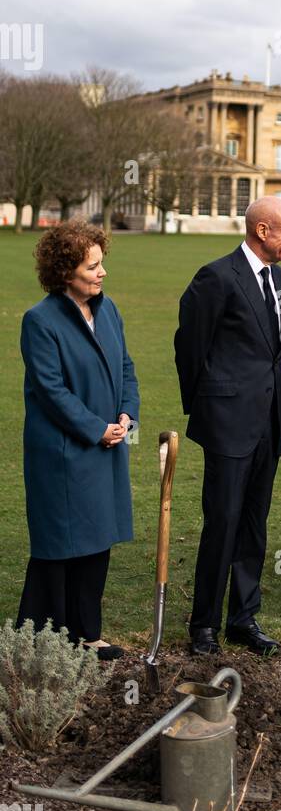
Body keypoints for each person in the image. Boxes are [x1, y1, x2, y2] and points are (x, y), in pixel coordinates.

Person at [174, 197, 281, 657]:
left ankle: (243, 619)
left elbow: (276, 352)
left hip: (270, 422)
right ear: (262, 230)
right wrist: (207, 408)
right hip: (228, 424)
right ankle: (203, 625)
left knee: (253, 525)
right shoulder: (217, 276)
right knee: (222, 523)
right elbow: (189, 346)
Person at [16, 221, 139, 661]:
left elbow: (126, 368)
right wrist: (96, 428)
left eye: (102, 262)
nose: (102, 272)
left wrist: (127, 415)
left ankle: (87, 634)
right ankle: (41, 639)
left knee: (96, 542)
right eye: (93, 265)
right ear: (66, 272)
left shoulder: (109, 311)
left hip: (105, 447)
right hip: (63, 453)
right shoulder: (40, 321)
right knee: (60, 546)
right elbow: (51, 391)